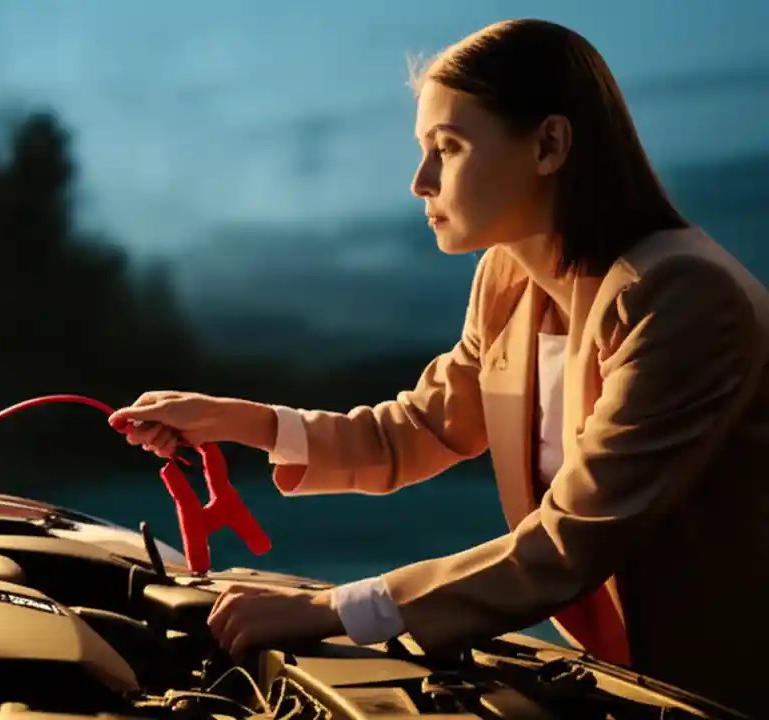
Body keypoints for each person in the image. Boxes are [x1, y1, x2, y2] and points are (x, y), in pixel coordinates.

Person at [109, 18, 767, 715]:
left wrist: (335, 609)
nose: (420, 182)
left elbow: (571, 539)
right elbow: (419, 429)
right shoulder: (508, 282)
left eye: (447, 149)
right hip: (621, 683)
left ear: (549, 145)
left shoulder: (683, 295)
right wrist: (242, 421)